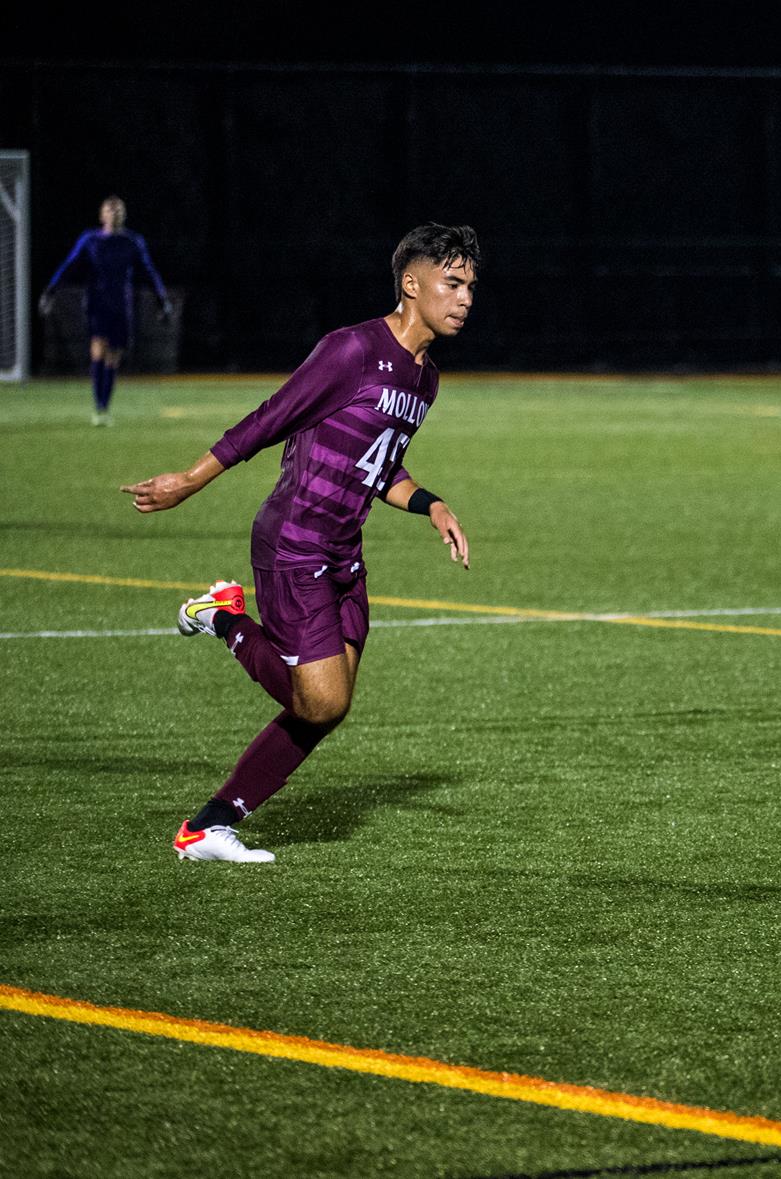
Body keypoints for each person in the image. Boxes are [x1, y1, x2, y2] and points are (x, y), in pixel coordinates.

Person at [119, 224, 480, 863]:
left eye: (471, 286)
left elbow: (379, 466)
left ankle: (208, 826)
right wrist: (190, 481)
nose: (465, 297)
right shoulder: (351, 351)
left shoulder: (426, 380)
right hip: (294, 543)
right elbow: (268, 419)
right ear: (411, 284)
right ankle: (226, 619)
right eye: (452, 283)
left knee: (326, 710)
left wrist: (432, 504)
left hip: (344, 552)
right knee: (323, 698)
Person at [39, 196, 173, 426]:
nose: (114, 213)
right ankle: (99, 406)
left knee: (114, 356)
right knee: (98, 350)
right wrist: (51, 290)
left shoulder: (132, 241)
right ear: (102, 215)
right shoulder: (90, 240)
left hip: (121, 304)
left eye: (118, 210)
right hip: (97, 303)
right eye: (110, 210)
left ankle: (104, 407)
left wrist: (162, 300)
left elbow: (149, 271)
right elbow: (69, 265)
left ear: (124, 215)